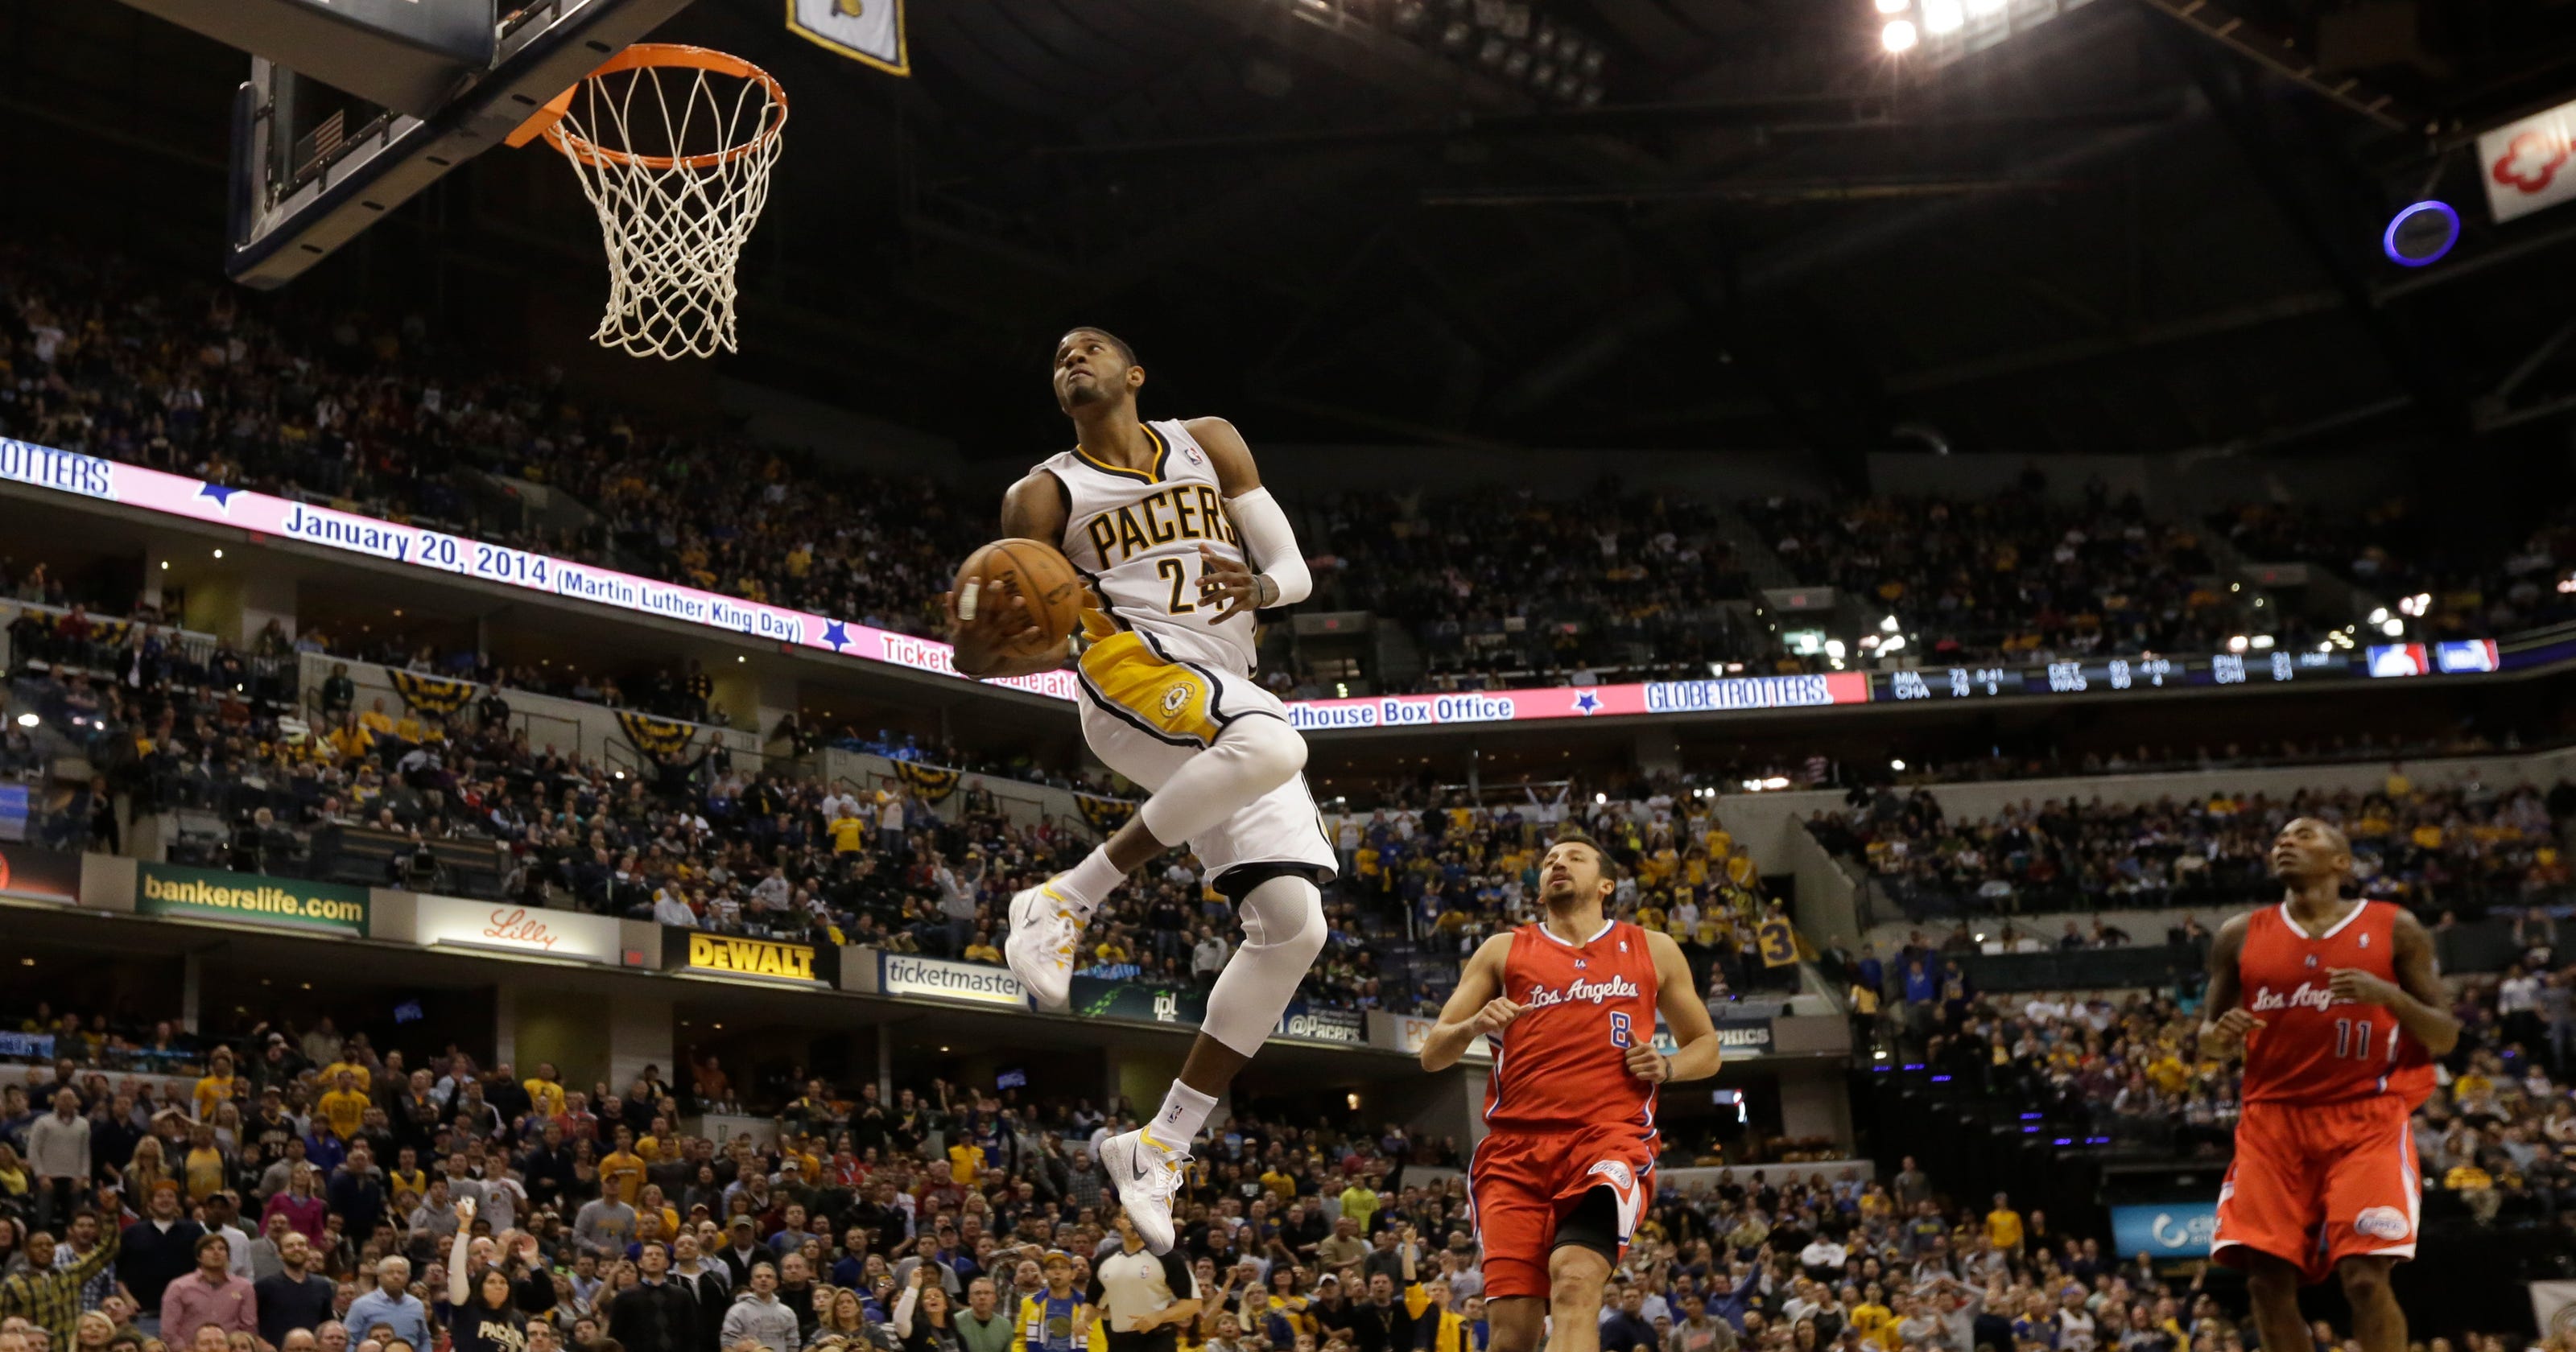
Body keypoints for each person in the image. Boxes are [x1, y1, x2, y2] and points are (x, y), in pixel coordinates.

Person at [947, 328, 1335, 1252]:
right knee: (1275, 743)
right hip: (1130, 672)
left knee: (1293, 928)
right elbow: (988, 646)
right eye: (1056, 356)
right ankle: (1062, 899)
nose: (1070, 358)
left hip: (1225, 689)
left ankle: (1156, 1147)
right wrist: (980, 634)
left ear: (1135, 375)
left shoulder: (1210, 440)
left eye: (1090, 349)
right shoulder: (1041, 492)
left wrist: (1263, 588)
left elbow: (1294, 572)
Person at [1418, 834, 1724, 1352]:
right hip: (1514, 1155)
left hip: (1609, 1140)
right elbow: (1432, 1054)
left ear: (1606, 884)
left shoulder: (1652, 947)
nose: (1558, 863)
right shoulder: (1504, 950)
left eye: (1573, 857)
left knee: (1577, 1278)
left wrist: (1668, 1066)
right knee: (1514, 1333)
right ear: (1539, 890)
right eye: (1549, 861)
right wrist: (1472, 1023)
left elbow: (1708, 1047)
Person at [2199, 816, 2460, 1352]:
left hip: (2366, 1118)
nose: (2284, 843)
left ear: (2342, 862)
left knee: (2365, 1280)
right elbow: (2208, 1037)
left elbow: (2446, 1035)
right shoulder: (2239, 934)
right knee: (2265, 1282)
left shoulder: (2396, 926)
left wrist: (2388, 996)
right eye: (2279, 839)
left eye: (2304, 835)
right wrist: (2218, 1036)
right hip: (2272, 1121)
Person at [1088, 1214, 1199, 1352]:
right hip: (1118, 1338)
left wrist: (1161, 1316)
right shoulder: (1106, 1260)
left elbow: (1193, 1303)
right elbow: (1095, 1304)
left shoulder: (1170, 1258)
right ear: (1118, 1223)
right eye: (1129, 1217)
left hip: (1158, 1336)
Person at [0, 1218, 118, 1346]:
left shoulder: (71, 1274)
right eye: (38, 1245)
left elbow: (106, 1252)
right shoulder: (13, 1284)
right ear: (26, 1251)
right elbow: (4, 1324)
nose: (44, 1248)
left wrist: (109, 1216)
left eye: (49, 1245)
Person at [445, 1205, 530, 1352]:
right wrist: (464, 1228)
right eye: (491, 1282)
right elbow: (456, 1272)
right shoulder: (466, 1305)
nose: (499, 1286)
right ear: (480, 1286)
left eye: (503, 1282)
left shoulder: (517, 1318)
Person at [158, 1236, 254, 1342]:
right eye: (209, 1248)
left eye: (221, 1249)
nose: (216, 1252)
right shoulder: (179, 1287)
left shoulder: (244, 1287)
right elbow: (168, 1330)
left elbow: (249, 1328)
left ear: (228, 1257)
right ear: (199, 1257)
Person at [253, 1232, 334, 1346]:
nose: (297, 1249)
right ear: (280, 1254)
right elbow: (252, 1324)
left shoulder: (322, 1286)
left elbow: (327, 1324)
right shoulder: (264, 1286)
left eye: (301, 1245)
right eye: (290, 1246)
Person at [345, 1256, 431, 1352]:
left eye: (401, 1273)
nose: (396, 1276)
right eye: (390, 1273)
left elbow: (424, 1339)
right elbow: (349, 1340)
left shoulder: (416, 1305)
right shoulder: (361, 1305)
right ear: (379, 1277)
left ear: (408, 1277)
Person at [716, 1264, 798, 1352]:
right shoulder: (737, 1311)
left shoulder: (787, 1313)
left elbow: (793, 1345)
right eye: (759, 1277)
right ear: (752, 1283)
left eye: (769, 1277)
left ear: (776, 1284)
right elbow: (727, 1344)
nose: (763, 1279)